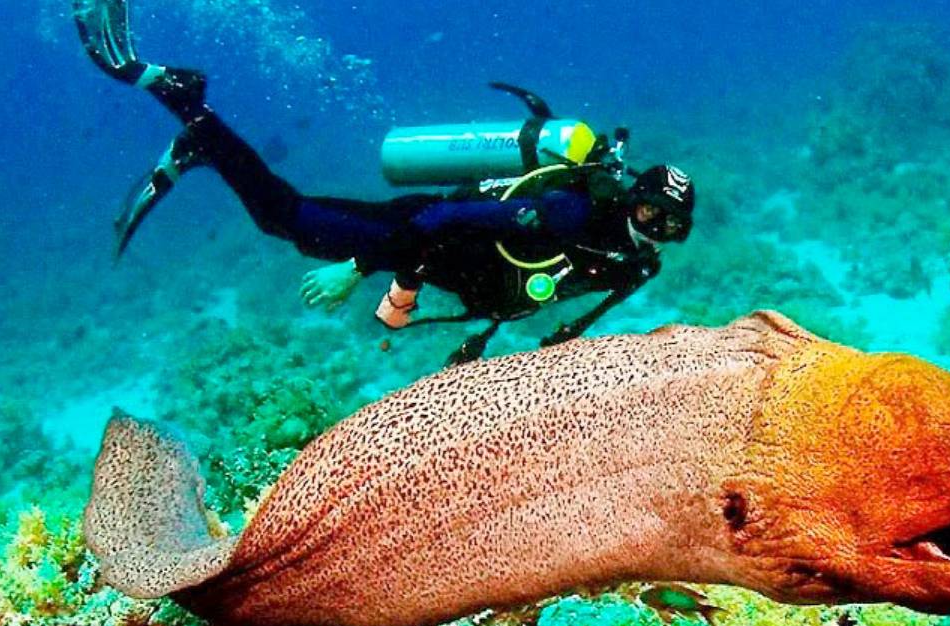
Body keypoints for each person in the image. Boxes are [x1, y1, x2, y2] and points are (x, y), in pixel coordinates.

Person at [74, 0, 696, 365]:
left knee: (287, 216)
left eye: (671, 227)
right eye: (651, 215)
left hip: (438, 260)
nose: (656, 232)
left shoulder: (633, 265)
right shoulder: (566, 213)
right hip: (416, 231)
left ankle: (201, 139)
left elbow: (572, 324)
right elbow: (440, 223)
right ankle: (193, 114)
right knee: (285, 218)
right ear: (633, 200)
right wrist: (366, 272)